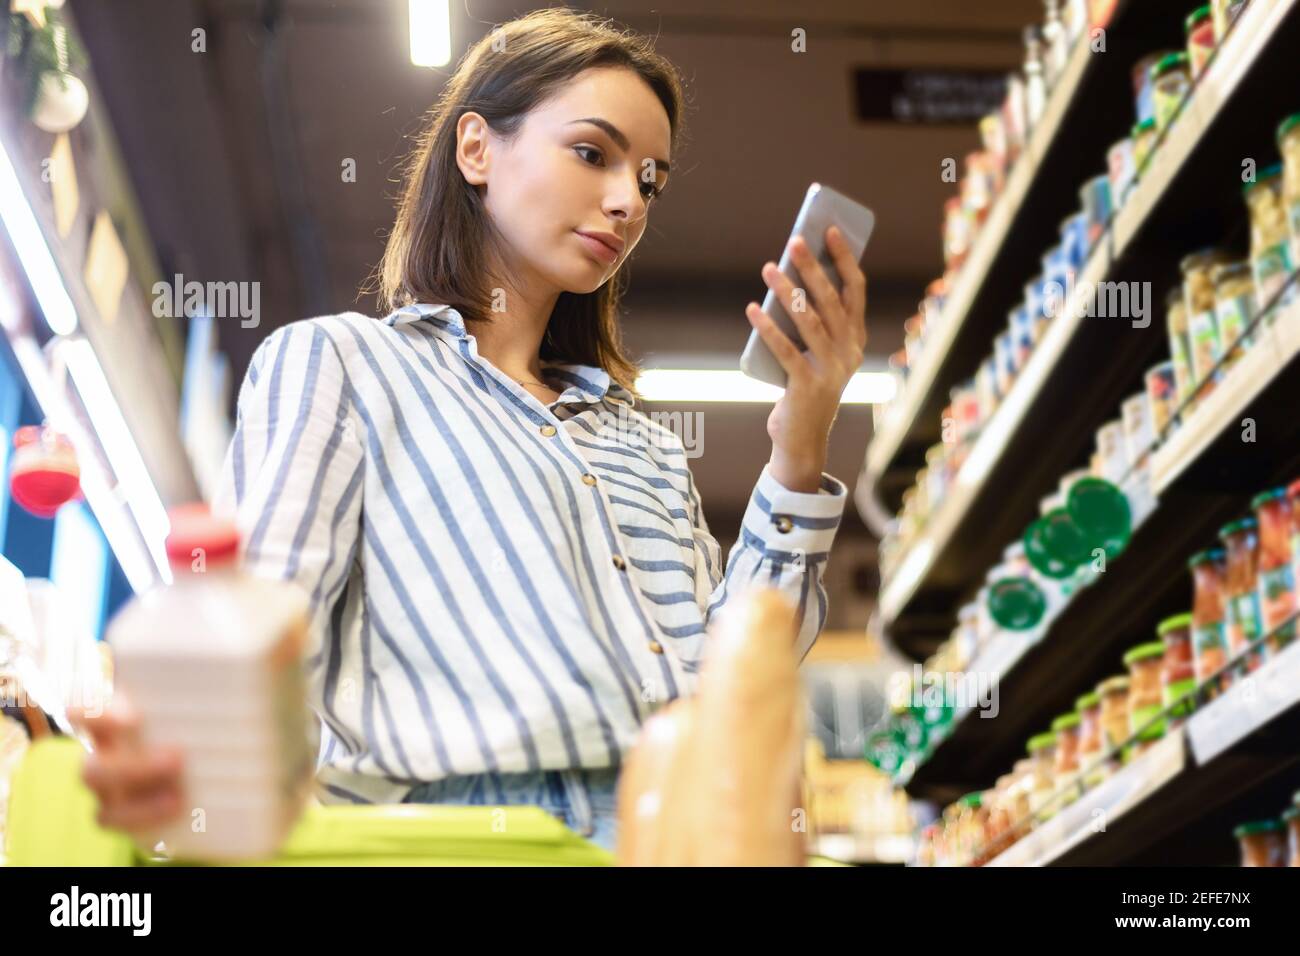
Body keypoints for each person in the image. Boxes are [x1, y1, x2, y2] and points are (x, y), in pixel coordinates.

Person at [74, 7, 868, 855]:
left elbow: (743, 680)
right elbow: (266, 633)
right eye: (593, 153)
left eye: (650, 179)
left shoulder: (646, 445)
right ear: (477, 149)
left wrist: (799, 444)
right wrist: (182, 764)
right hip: (467, 840)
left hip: (692, 835)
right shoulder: (341, 367)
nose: (626, 201)